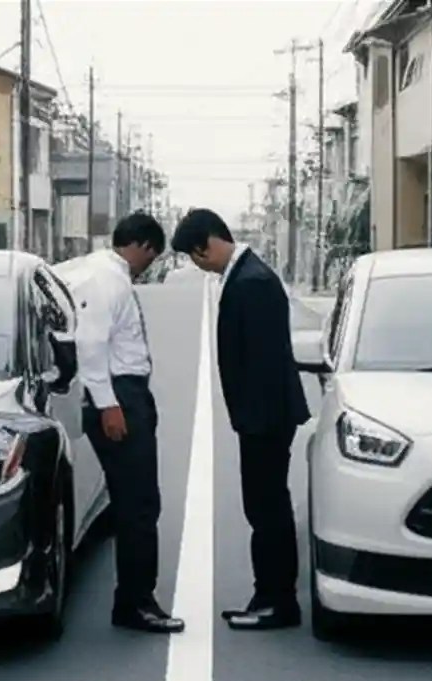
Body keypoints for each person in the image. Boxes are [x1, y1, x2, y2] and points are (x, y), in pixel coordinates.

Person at [171, 208, 310, 630]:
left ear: (207, 245)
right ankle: (266, 594)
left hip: (265, 418)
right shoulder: (246, 276)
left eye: (195, 257)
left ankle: (278, 601)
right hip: (261, 416)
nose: (198, 266)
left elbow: (266, 362)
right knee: (264, 506)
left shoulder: (253, 282)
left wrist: (253, 422)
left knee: (266, 508)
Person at [67, 211, 185, 633]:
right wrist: (108, 404)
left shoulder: (95, 271)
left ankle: (134, 599)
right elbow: (91, 342)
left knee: (133, 502)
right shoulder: (108, 280)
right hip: (120, 395)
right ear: (144, 247)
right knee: (138, 503)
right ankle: (136, 603)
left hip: (121, 392)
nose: (147, 267)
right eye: (151, 258)